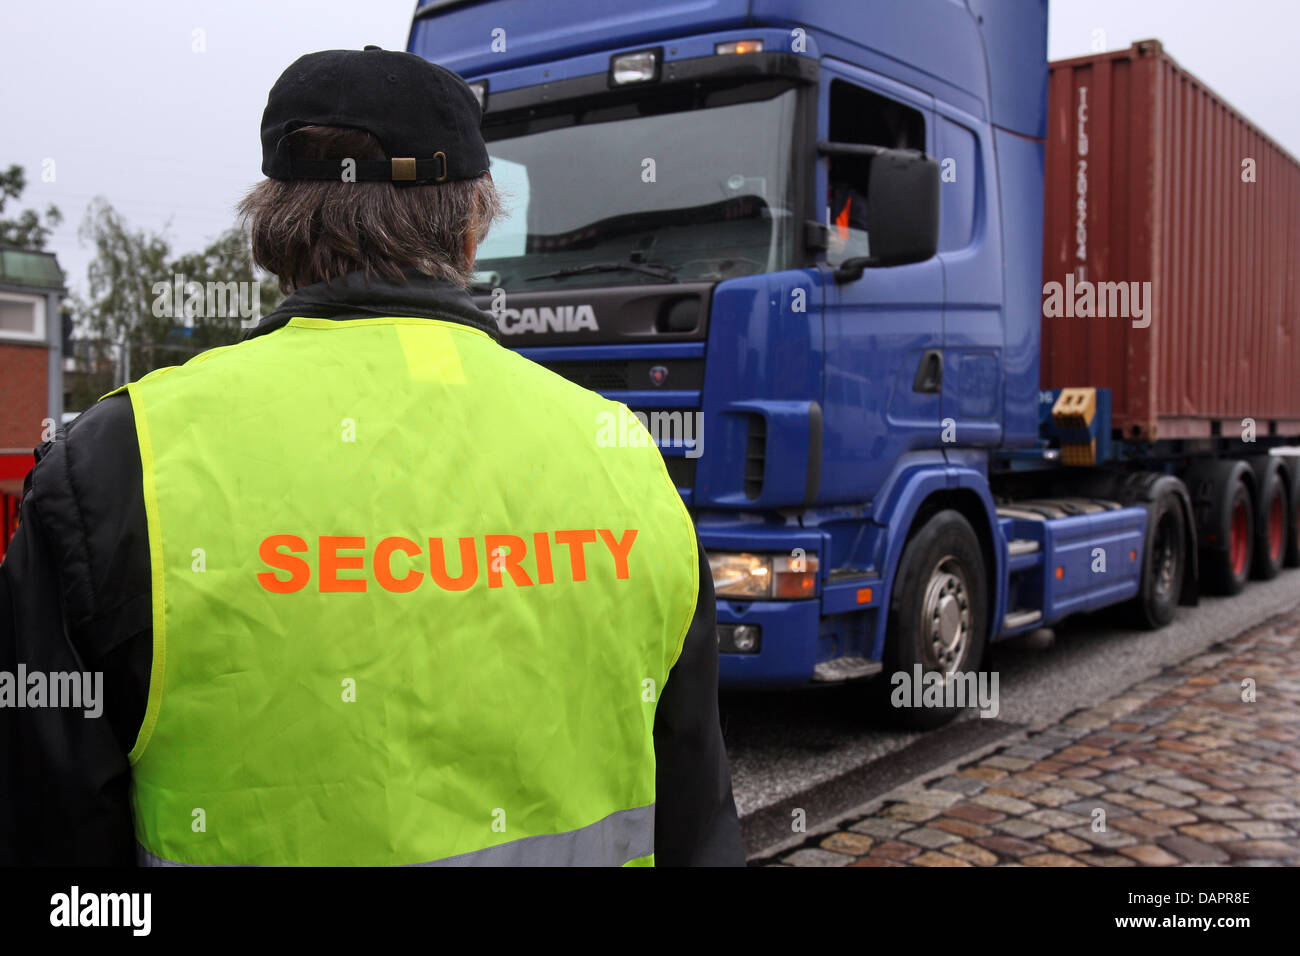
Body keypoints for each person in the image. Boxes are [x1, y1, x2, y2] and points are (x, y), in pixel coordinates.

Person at [0, 47, 744, 867]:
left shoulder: (113, 465)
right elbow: (696, 821)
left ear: (270, 231)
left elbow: (52, 839)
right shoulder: (625, 457)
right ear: (471, 228)